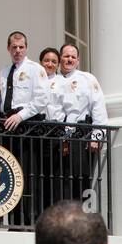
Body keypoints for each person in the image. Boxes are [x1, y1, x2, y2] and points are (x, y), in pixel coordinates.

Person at [0, 31, 51, 226]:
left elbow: (42, 99)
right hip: (8, 128)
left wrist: (20, 116)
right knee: (9, 175)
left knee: (29, 174)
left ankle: (29, 220)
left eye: (21, 47)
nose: (18, 51)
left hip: (27, 126)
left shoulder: (35, 69)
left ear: (26, 48)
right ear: (8, 49)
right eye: (14, 47)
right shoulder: (4, 71)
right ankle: (13, 220)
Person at [46, 44, 108, 206]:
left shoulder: (87, 79)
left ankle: (82, 220)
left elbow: (98, 108)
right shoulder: (53, 80)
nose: (69, 60)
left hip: (81, 136)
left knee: (80, 180)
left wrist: (97, 136)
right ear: (60, 59)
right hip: (57, 137)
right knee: (58, 181)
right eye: (66, 56)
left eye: (73, 57)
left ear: (78, 60)